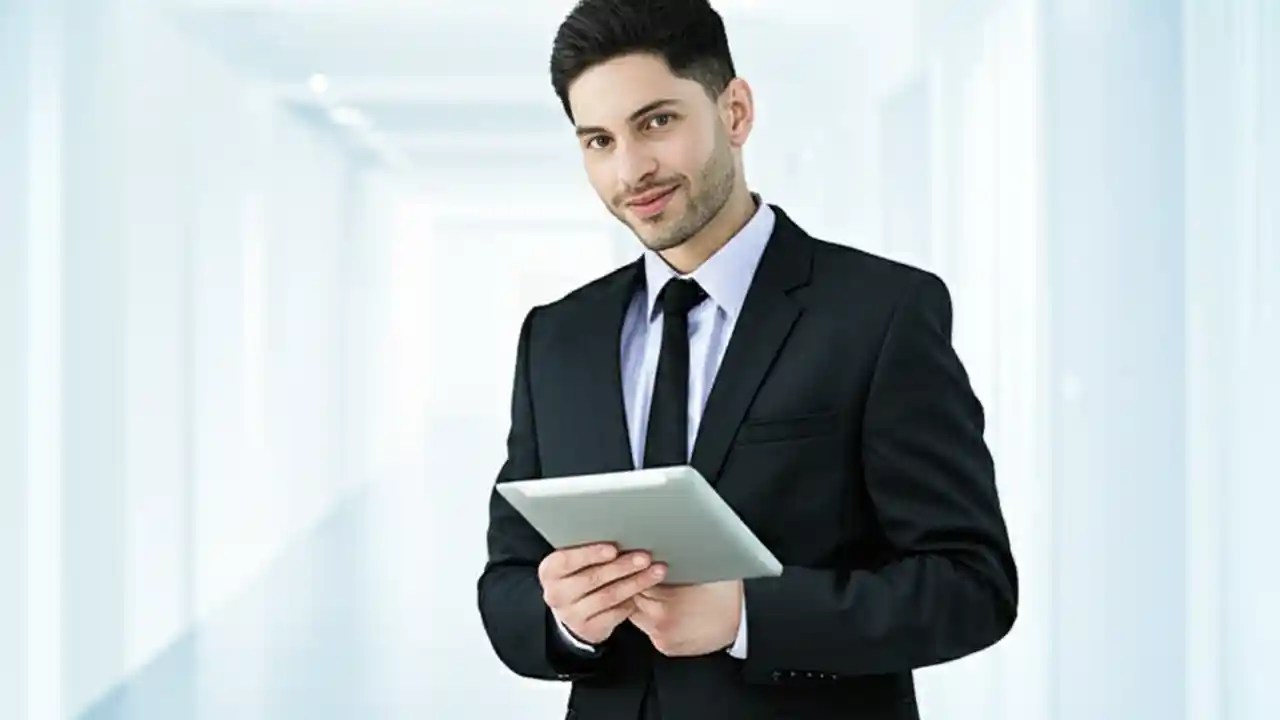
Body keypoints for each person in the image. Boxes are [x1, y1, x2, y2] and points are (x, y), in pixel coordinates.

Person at [476, 1, 1018, 717]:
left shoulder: (879, 314)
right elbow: (510, 579)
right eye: (598, 141)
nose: (631, 169)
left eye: (656, 122)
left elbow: (971, 585)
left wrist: (747, 619)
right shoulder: (558, 337)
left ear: (734, 112)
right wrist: (568, 621)